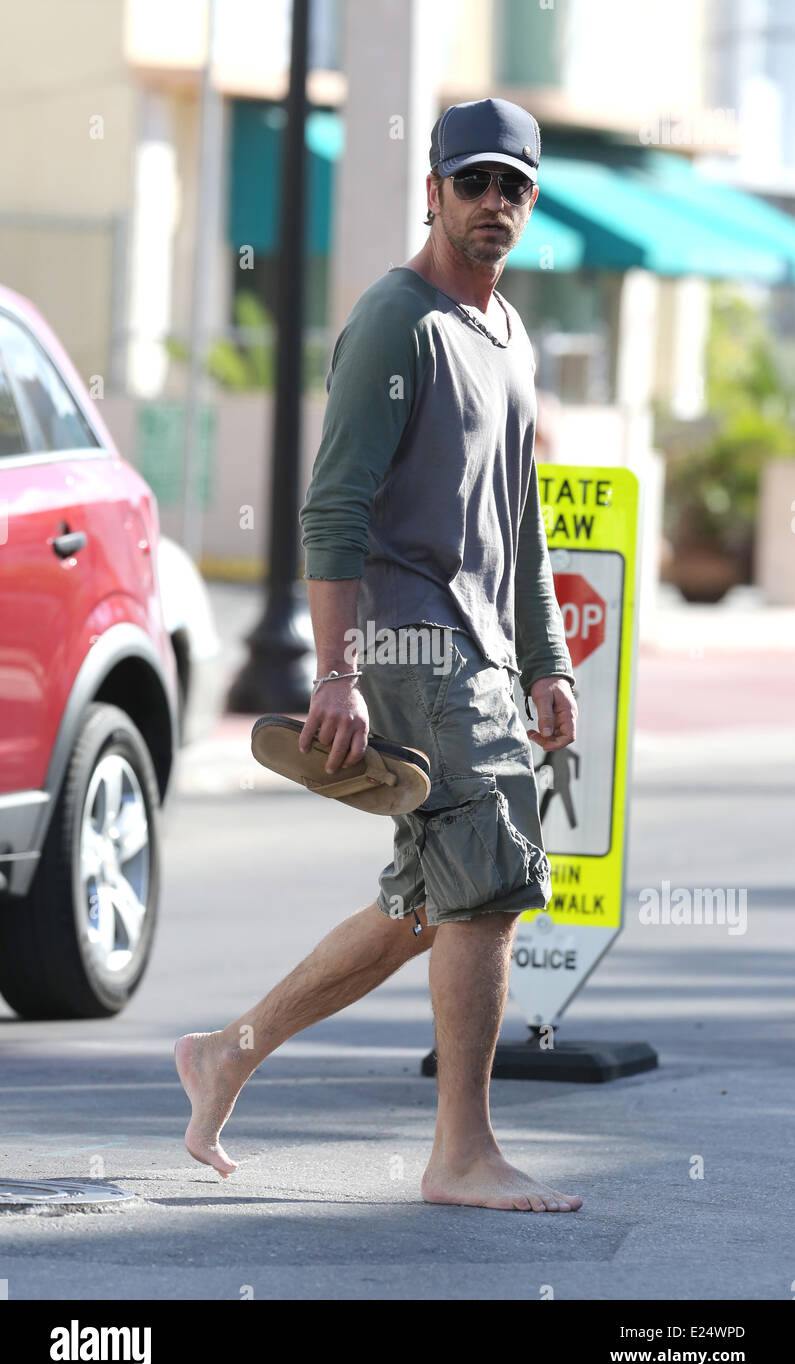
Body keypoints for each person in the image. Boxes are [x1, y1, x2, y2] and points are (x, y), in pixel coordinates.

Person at [175, 98, 582, 1213]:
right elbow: (332, 507)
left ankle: (228, 1053)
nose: (495, 202)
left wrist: (545, 661)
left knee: (425, 906)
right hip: (414, 639)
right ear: (435, 192)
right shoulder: (396, 321)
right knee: (490, 885)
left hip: (486, 650)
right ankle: (461, 1154)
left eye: (515, 186)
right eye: (476, 182)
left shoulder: (508, 336)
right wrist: (339, 668)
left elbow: (526, 518)